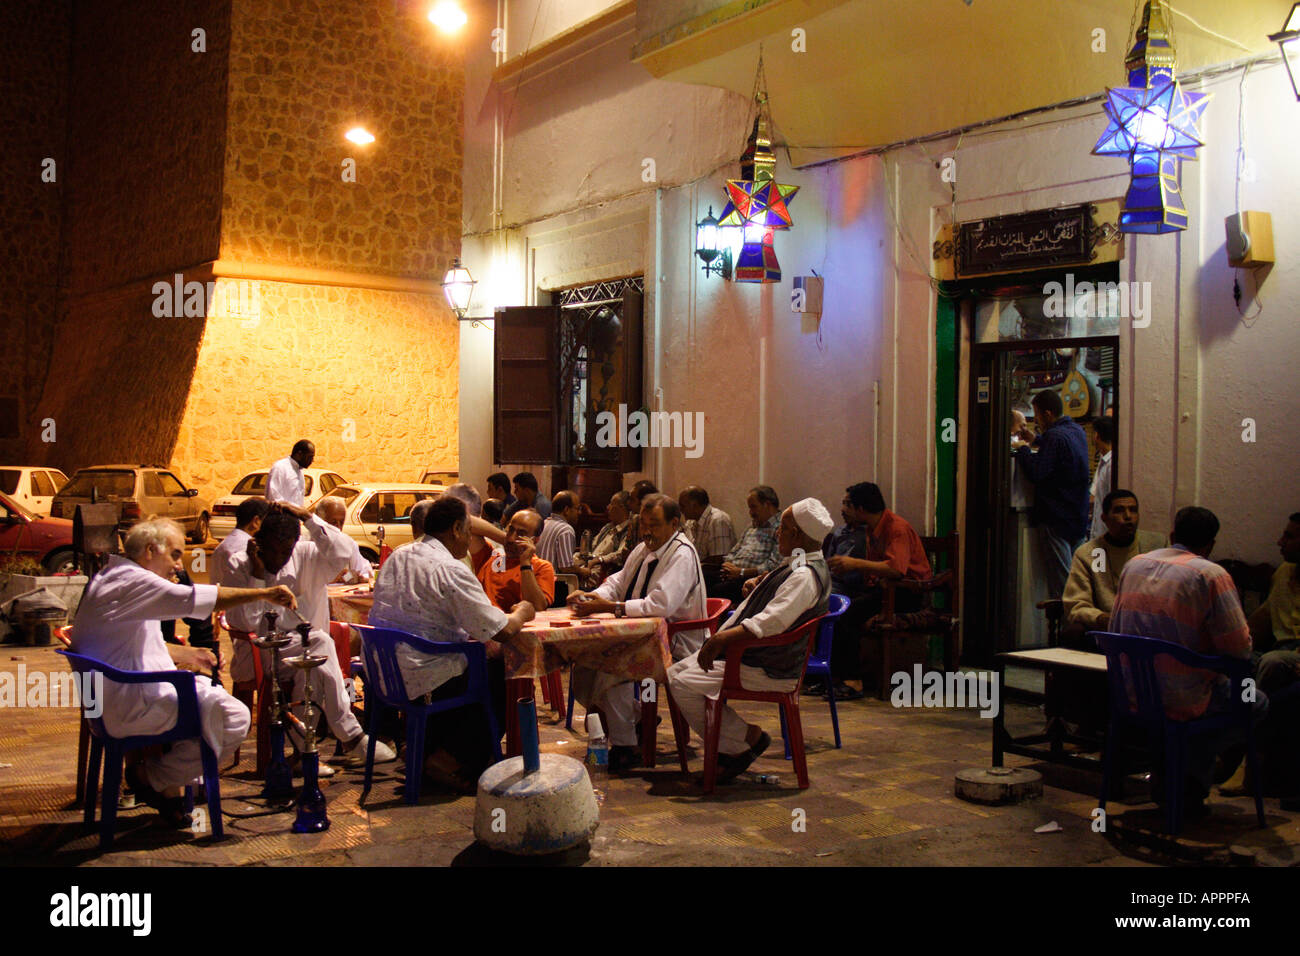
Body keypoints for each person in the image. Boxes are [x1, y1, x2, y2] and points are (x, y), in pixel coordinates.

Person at [70, 518, 296, 827]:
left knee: (215, 708)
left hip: (120, 694)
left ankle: (168, 786)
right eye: (175, 555)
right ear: (151, 550)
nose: (179, 565)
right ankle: (155, 777)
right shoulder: (132, 581)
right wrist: (264, 593)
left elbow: (134, 642)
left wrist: (187, 653)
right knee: (234, 717)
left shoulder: (115, 577)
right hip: (131, 701)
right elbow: (194, 600)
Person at [368, 496, 535, 791]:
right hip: (423, 674)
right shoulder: (449, 568)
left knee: (468, 663)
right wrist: (523, 611)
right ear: (457, 529)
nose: (471, 539)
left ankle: (428, 747)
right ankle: (451, 758)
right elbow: (502, 630)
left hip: (384, 673)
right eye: (468, 531)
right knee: (501, 671)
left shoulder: (398, 556)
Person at [1110, 506, 1263, 815]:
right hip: (1183, 698)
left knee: (1200, 702)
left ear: (1172, 535)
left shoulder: (1135, 565)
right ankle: (1192, 776)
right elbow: (1239, 648)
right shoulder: (1210, 574)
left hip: (1132, 694)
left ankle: (1179, 778)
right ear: (1211, 545)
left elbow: (1115, 627)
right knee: (1255, 702)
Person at [668, 498, 833, 783]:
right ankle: (737, 742)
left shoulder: (805, 575)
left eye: (783, 527)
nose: (777, 533)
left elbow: (772, 621)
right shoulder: (798, 564)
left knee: (681, 683)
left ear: (798, 535)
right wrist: (759, 585)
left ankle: (743, 742)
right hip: (758, 656)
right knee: (674, 674)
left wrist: (722, 640)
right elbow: (780, 596)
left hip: (770, 666)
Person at [224, 503, 395, 771]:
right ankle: (350, 735)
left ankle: (306, 752)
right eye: (271, 550)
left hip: (306, 652)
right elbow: (245, 623)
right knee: (322, 643)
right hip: (262, 652)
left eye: (284, 551)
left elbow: (344, 551)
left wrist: (308, 517)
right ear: (258, 543)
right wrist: (258, 578)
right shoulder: (240, 564)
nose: (278, 557)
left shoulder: (305, 555)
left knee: (313, 667)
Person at [568, 494, 708, 772]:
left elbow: (662, 605)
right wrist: (593, 596)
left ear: (674, 523)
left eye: (654, 525)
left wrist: (612, 607)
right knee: (584, 663)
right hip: (640, 637)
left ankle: (625, 745)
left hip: (674, 642)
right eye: (643, 524)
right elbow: (620, 580)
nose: (647, 531)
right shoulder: (645, 548)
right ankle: (638, 716)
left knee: (611, 667)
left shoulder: (682, 553)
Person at [820, 482, 931, 698]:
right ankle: (831, 678)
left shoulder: (896, 528)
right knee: (834, 608)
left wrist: (855, 564)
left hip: (907, 592)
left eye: (850, 504)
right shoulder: (873, 529)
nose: (846, 509)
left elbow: (896, 568)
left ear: (861, 508)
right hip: (883, 590)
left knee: (848, 615)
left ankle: (854, 681)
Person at [1060, 488, 1163, 649]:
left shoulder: (1155, 545)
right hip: (1105, 629)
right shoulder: (1091, 553)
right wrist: (1101, 618)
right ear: (1104, 518)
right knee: (1073, 632)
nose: (1128, 516)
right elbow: (1076, 604)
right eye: (1119, 511)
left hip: (1147, 626)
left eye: (1133, 510)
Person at [1013, 389, 1090, 597]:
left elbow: (1037, 472)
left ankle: (1065, 627)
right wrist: (1037, 440)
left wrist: (1023, 449)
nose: (1036, 420)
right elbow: (1060, 455)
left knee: (1063, 586)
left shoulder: (1054, 437)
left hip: (1057, 519)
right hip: (1077, 518)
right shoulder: (1077, 431)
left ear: (1047, 414)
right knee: (1077, 582)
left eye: (1037, 415)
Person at [212, 496, 271, 689]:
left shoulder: (223, 546)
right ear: (256, 521)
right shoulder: (246, 550)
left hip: (232, 617)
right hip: (246, 623)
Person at [1249, 513, 1300, 691]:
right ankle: (1241, 706)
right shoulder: (1284, 572)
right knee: (1237, 658)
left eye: (1289, 537)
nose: (1280, 542)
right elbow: (1263, 617)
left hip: (1290, 657)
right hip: (1276, 649)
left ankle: (1254, 712)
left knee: (1272, 662)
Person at [470, 509, 556, 613]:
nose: (511, 538)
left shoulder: (542, 567)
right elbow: (467, 522)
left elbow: (537, 608)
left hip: (514, 625)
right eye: (510, 530)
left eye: (521, 533)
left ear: (535, 540)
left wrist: (525, 563)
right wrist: (505, 539)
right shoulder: (490, 556)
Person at [709, 485, 782, 604]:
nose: (751, 512)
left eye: (753, 507)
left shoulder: (781, 527)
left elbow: (774, 565)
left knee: (718, 590)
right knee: (702, 578)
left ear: (767, 504)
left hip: (752, 578)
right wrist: (728, 565)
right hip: (732, 574)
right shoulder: (752, 525)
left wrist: (741, 572)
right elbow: (734, 551)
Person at [578, 491, 634, 582]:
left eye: (611, 504)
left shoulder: (629, 529)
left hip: (602, 571)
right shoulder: (608, 527)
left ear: (622, 508)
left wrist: (599, 560)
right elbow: (592, 546)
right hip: (589, 564)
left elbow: (620, 554)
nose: (608, 507)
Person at [314, 495, 371, 584]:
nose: (338, 527)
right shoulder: (308, 545)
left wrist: (350, 577)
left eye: (341, 522)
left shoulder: (349, 544)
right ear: (319, 521)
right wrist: (332, 580)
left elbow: (362, 572)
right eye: (333, 523)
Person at [679, 485, 736, 559]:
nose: (681, 510)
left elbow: (719, 559)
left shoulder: (718, 521)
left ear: (695, 506)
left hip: (710, 570)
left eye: (683, 506)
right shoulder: (690, 523)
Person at [536, 490, 581, 575]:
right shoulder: (566, 530)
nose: (579, 512)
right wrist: (583, 571)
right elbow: (566, 568)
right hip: (552, 582)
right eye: (577, 508)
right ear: (566, 510)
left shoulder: (544, 523)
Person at [266, 439, 315, 507]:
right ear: (299, 454)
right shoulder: (280, 468)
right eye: (310, 457)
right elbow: (273, 498)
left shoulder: (299, 472)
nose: (312, 461)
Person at [1088, 418, 1115, 539]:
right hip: (1098, 533)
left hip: (1106, 535)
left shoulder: (1111, 465)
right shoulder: (1103, 461)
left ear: (1097, 435)